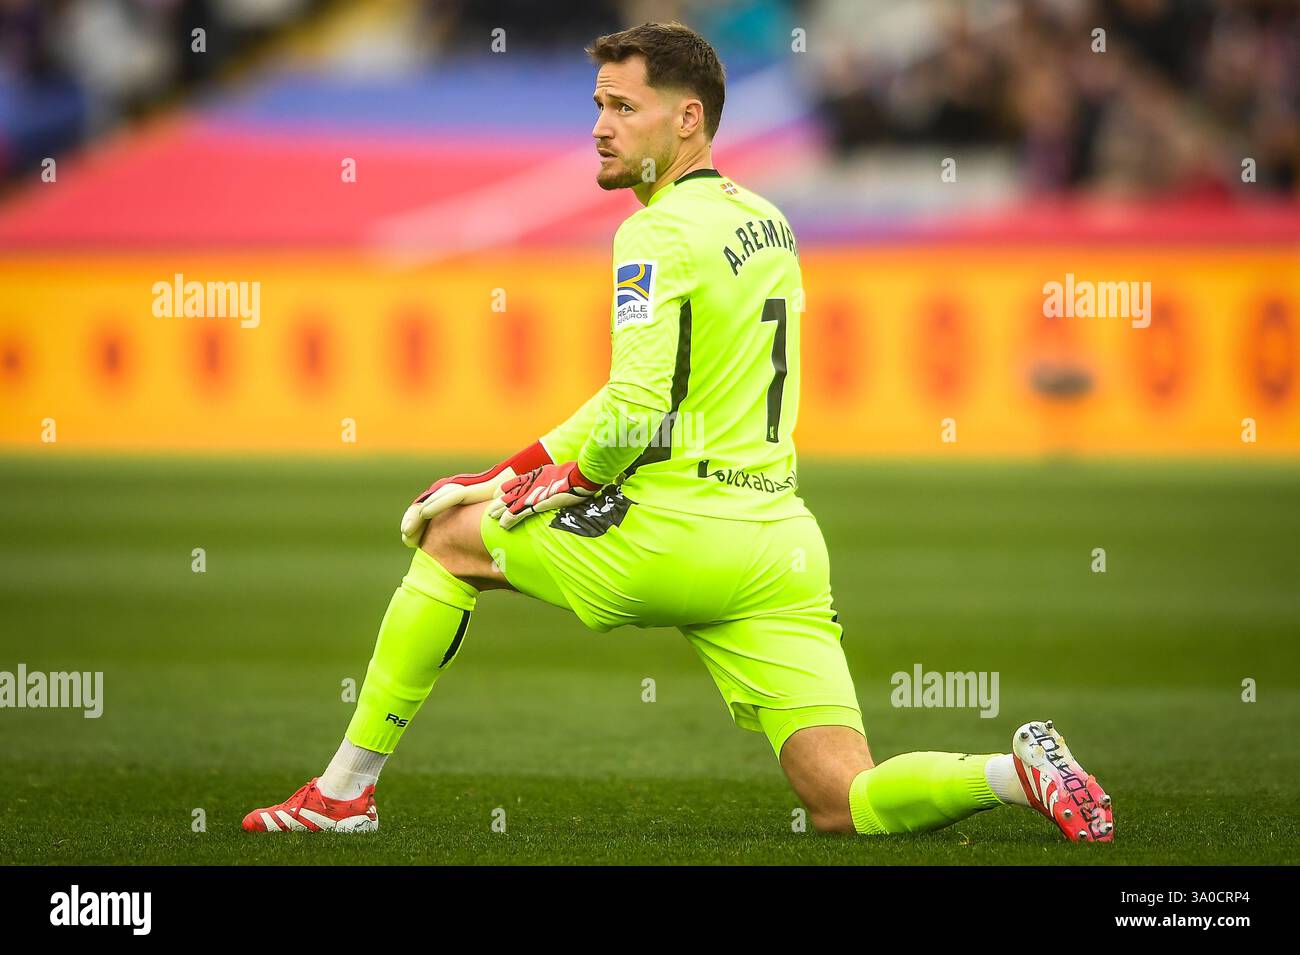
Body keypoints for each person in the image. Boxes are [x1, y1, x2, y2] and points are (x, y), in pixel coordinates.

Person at [242, 21, 1112, 842]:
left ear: (687, 119)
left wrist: (574, 479)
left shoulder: (652, 233)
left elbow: (636, 405)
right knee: (844, 801)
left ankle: (344, 792)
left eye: (623, 108)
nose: (600, 128)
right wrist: (512, 469)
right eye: (596, 106)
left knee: (444, 542)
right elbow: (658, 389)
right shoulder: (767, 222)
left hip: (671, 535)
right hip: (778, 548)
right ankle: (1013, 771)